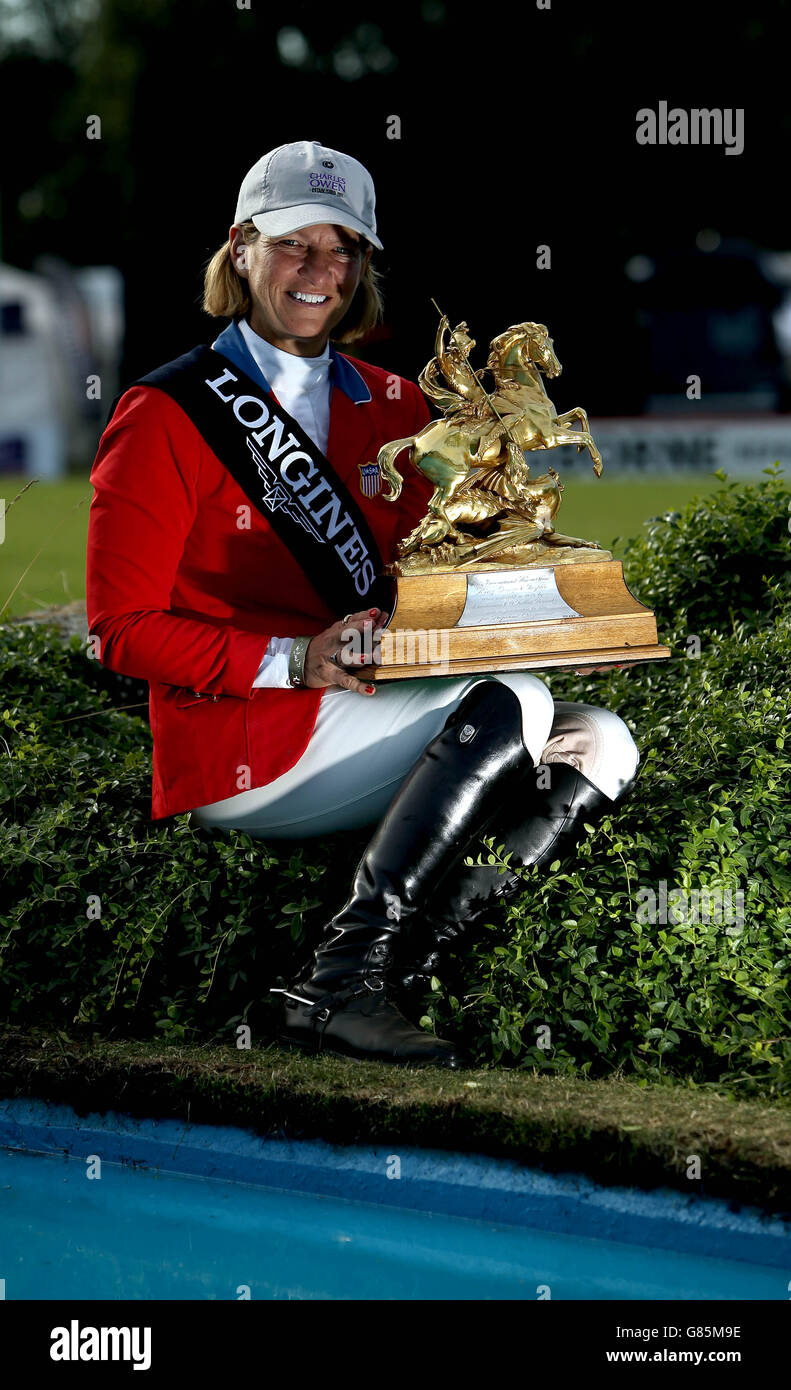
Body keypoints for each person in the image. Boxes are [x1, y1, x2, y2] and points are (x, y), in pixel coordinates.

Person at [86, 139, 641, 1072]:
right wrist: (291, 658)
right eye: (293, 244)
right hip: (246, 736)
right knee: (521, 699)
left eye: (342, 249)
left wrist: (543, 613)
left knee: (603, 742)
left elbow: (446, 573)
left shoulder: (394, 406)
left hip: (376, 708)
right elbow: (118, 631)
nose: (319, 271)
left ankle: (368, 973)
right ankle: (341, 988)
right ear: (240, 250)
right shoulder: (165, 413)